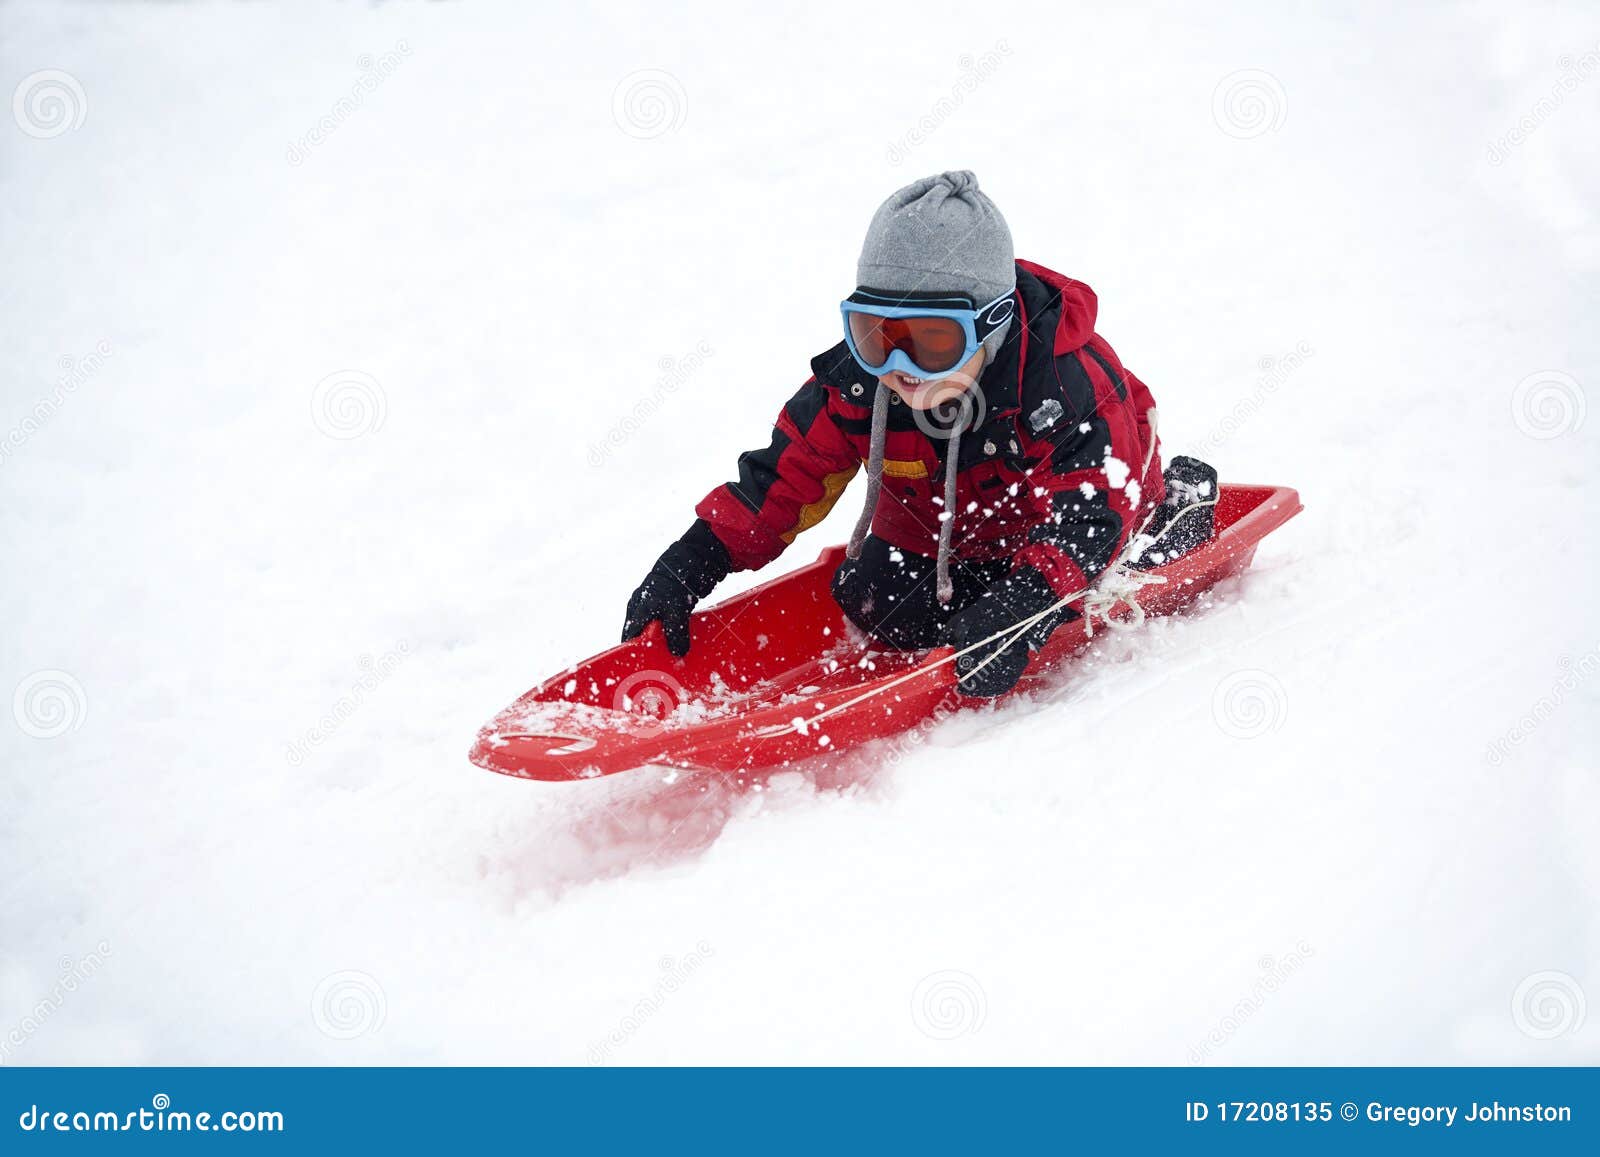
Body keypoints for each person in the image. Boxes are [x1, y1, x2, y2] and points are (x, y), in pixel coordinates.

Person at [622, 171, 1214, 697]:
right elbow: (785, 477)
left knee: (1098, 572)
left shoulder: (1064, 383)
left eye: (933, 342)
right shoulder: (863, 384)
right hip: (948, 531)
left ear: (992, 324)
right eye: (877, 335)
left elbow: (1089, 514)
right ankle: (988, 586)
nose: (901, 365)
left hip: (1081, 516)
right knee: (882, 608)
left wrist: (1028, 605)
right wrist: (695, 559)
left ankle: (1176, 512)